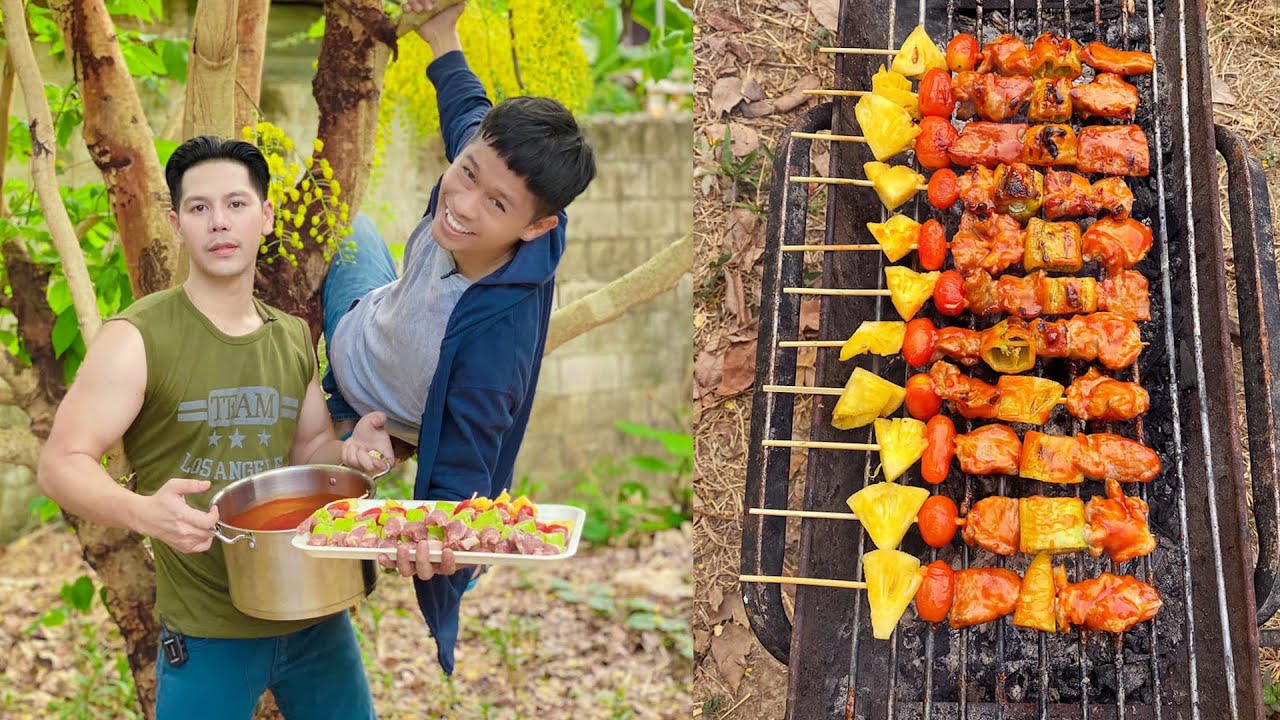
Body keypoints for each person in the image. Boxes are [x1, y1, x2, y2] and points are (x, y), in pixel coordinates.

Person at [37, 135, 395, 720]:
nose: (219, 222)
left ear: (266, 216)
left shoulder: (289, 336)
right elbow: (61, 463)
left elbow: (310, 448)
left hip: (316, 615)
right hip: (207, 633)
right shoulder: (137, 337)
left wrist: (354, 453)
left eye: (236, 203)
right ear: (177, 224)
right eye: (200, 208)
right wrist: (143, 512)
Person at [319, 0, 597, 674]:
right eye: (467, 172)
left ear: (537, 227)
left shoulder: (494, 336)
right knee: (331, 211)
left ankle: (354, 420)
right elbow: (467, 112)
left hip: (361, 385)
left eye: (496, 204)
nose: (464, 203)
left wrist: (443, 534)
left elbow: (474, 446)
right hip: (371, 307)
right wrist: (441, 33)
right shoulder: (481, 168)